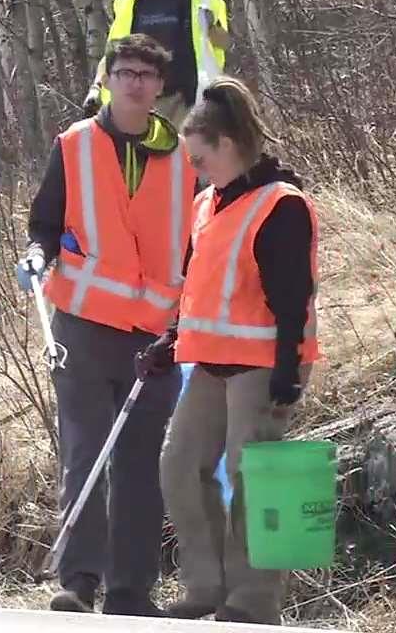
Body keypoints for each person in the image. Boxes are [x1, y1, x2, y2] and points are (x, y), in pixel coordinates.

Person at [18, 34, 200, 617]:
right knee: (86, 453)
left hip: (155, 336)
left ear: (160, 87)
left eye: (146, 74)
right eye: (124, 72)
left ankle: (131, 592)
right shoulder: (74, 145)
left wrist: (184, 323)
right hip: (83, 324)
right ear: (107, 78)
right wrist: (35, 258)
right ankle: (77, 583)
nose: (134, 83)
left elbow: (199, 243)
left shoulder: (183, 159)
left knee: (141, 464)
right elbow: (44, 223)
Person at [134, 77, 321, 625]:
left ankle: (255, 601)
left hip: (266, 363)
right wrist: (171, 342)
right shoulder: (205, 205)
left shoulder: (281, 205)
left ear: (231, 144)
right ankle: (206, 589)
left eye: (199, 158)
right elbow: (197, 288)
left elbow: (293, 298)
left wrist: (288, 369)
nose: (195, 170)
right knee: (179, 466)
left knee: (256, 476)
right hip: (212, 362)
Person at [82, 0, 231, 128]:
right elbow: (113, 52)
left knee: (185, 156)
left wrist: (210, 27)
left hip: (186, 101)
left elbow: (224, 44)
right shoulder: (125, 1)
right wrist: (96, 88)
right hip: (141, 101)